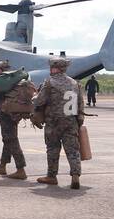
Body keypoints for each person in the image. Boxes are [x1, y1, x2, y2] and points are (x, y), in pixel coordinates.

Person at [33, 57, 83, 189]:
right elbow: (80, 104)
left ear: (57, 68)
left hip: (54, 122)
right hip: (71, 121)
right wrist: (79, 121)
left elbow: (39, 101)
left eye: (52, 67)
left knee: (53, 149)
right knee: (72, 150)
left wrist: (34, 98)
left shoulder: (50, 82)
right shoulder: (74, 83)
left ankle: (52, 176)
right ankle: (75, 176)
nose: (50, 69)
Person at [0, 59, 28, 179]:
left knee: (11, 140)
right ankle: (2, 165)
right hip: (16, 113)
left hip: (5, 113)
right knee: (8, 139)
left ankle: (21, 169)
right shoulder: (14, 79)